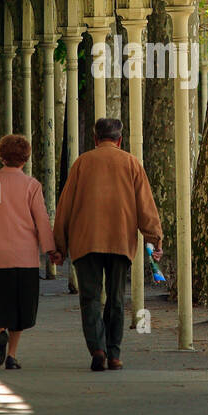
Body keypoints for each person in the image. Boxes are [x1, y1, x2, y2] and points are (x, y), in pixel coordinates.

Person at [54, 117, 163, 372]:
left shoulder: (81, 163)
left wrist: (59, 246)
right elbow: (146, 207)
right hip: (120, 240)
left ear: (95, 138)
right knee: (115, 298)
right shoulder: (131, 163)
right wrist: (154, 239)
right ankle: (114, 354)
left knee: (90, 298)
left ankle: (98, 349)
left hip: (85, 241)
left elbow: (65, 208)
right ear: (120, 139)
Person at [0, 134, 60, 370]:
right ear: (25, 159)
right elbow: (41, 220)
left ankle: (0, 331)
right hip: (24, 257)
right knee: (20, 307)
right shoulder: (31, 185)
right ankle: (12, 355)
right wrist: (51, 249)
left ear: (1, 156)